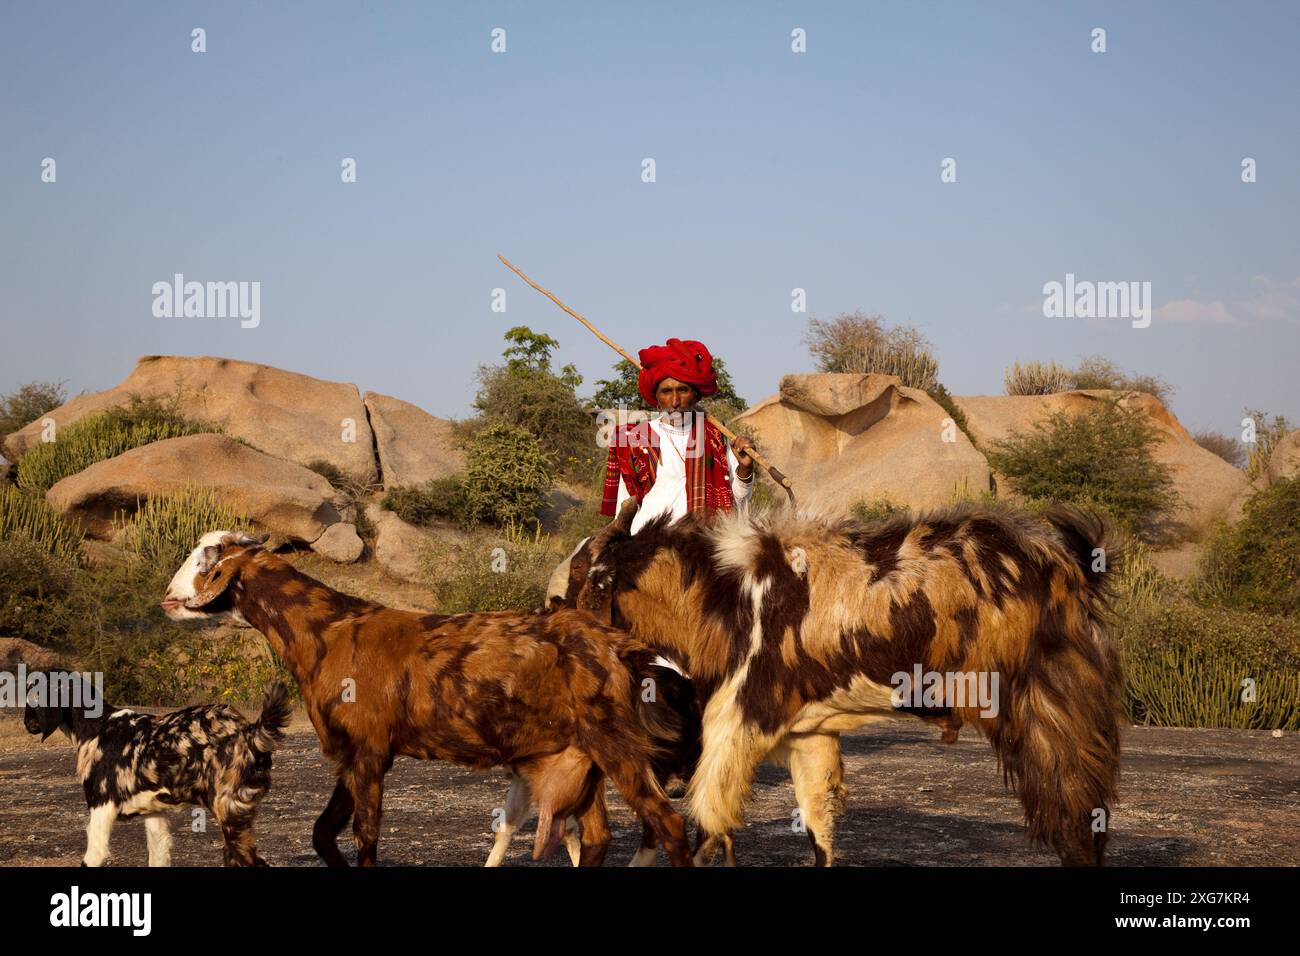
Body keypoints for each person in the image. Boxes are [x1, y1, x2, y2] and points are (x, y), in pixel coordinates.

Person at [600, 338, 755, 535]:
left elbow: (738, 499)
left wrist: (745, 468)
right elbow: (624, 507)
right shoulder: (633, 438)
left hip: (701, 546)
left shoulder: (715, 436)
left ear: (696, 395)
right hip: (648, 547)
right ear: (656, 397)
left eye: (682, 390)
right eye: (666, 392)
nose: (674, 401)